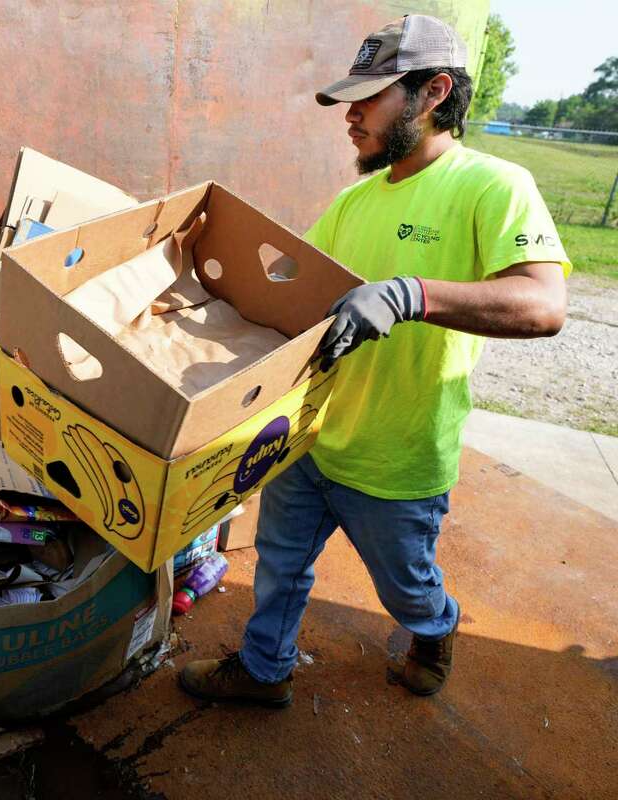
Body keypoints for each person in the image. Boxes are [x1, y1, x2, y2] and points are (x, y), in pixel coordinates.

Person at [178, 14, 570, 706]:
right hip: (311, 436)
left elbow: (544, 305)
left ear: (432, 91)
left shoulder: (492, 186)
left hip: (397, 457)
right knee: (279, 567)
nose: (350, 115)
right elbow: (290, 288)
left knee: (404, 586)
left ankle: (434, 625)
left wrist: (411, 294)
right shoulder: (356, 200)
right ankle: (265, 670)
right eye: (348, 100)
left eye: (370, 97)